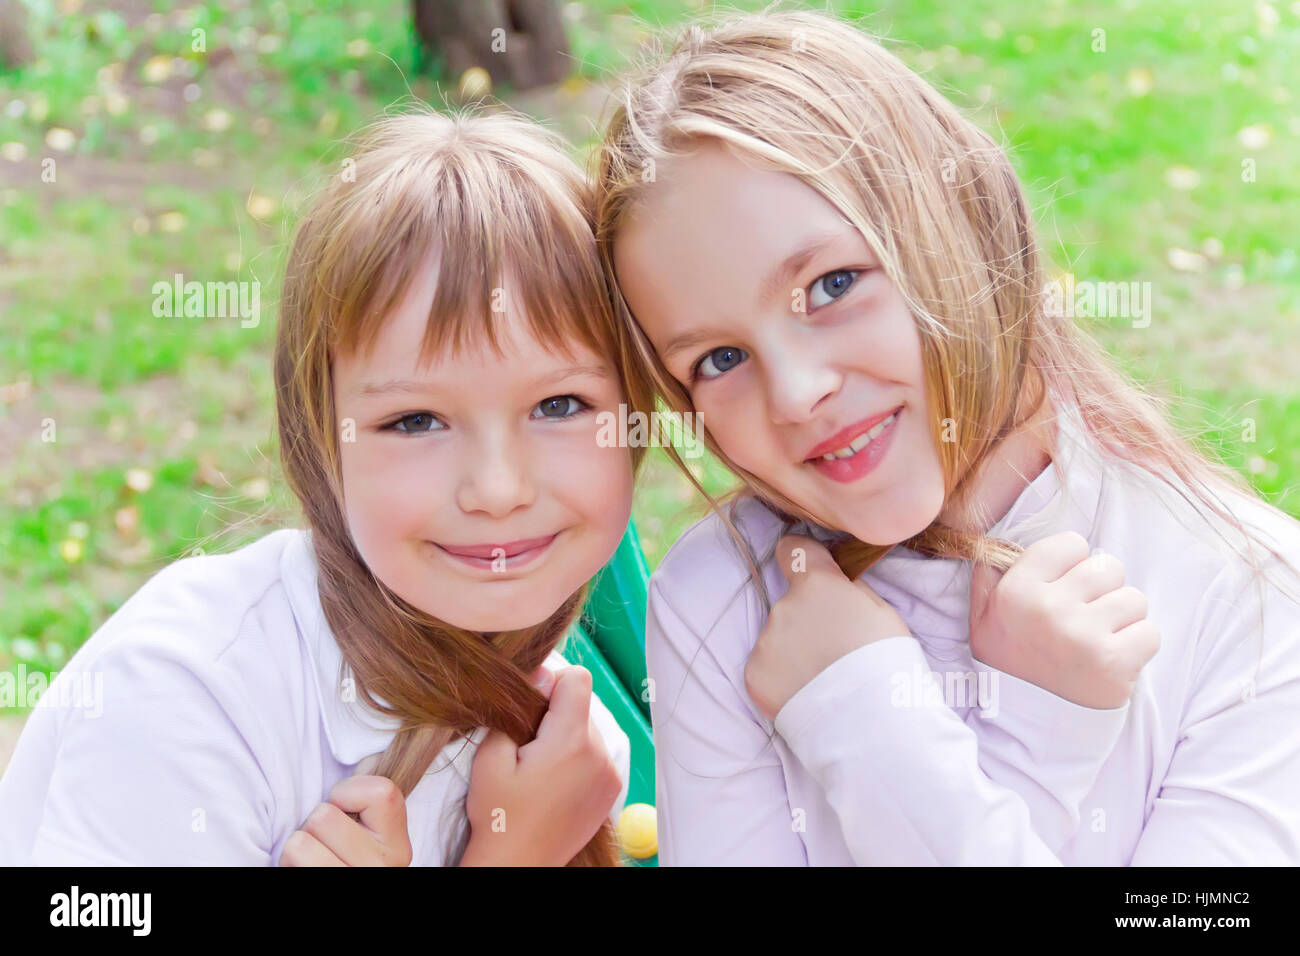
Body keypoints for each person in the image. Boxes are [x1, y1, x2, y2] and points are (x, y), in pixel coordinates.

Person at [594, 9, 1300, 864]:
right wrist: (1032, 734)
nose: (797, 391)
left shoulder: (1255, 594)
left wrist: (864, 719)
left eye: (832, 284)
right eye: (718, 357)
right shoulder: (718, 601)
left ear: (963, 220)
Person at [0, 107, 644, 866]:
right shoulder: (186, 696)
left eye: (558, 406)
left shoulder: (592, 700)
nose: (497, 490)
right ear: (318, 433)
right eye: (414, 421)